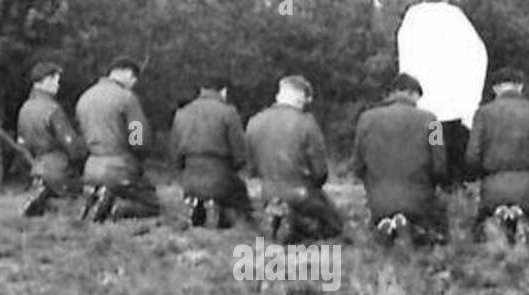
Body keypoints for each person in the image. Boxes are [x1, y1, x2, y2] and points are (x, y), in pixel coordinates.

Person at [396, 0, 487, 186]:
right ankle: (454, 190)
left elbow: (405, 52)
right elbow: (477, 54)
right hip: (454, 109)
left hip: (425, 108)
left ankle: (429, 188)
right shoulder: (455, 16)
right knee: (454, 155)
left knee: (429, 149)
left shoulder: (413, 15)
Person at [351, 73, 448, 246]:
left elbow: (357, 165)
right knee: (436, 227)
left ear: (392, 93)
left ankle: (385, 225)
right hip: (419, 200)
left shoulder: (365, 119)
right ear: (413, 94)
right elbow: (440, 165)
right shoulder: (432, 121)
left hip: (378, 200)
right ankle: (415, 230)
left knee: (382, 214)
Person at [244, 75, 344, 241]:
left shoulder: (254, 122)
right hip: (301, 192)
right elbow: (320, 172)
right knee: (334, 225)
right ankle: (300, 225)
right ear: (300, 97)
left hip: (267, 190)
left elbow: (251, 167)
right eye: (306, 99)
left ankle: (278, 217)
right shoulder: (307, 123)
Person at [465, 67, 529, 240]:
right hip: (528, 188)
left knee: (475, 239)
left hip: (492, 189)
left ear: (495, 89)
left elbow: (472, 156)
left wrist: (483, 177)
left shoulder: (483, 113)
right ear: (520, 87)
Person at [74, 56, 160, 220]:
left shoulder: (84, 97)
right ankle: (117, 208)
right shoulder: (127, 98)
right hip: (120, 167)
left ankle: (95, 198)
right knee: (152, 204)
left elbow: (80, 134)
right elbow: (138, 138)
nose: (134, 83)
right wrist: (142, 156)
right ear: (127, 73)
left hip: (91, 167)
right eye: (134, 78)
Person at [171, 75, 253, 227]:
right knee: (239, 194)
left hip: (190, 179)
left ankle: (198, 206)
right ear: (223, 91)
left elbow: (175, 154)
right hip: (219, 176)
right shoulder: (228, 112)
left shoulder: (181, 113)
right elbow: (239, 154)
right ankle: (231, 218)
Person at [16, 61, 87, 217]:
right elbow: (73, 147)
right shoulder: (52, 109)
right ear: (46, 80)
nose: (58, 85)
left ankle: (43, 197)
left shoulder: (25, 108)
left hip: (37, 167)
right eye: (56, 81)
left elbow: (22, 144)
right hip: (60, 167)